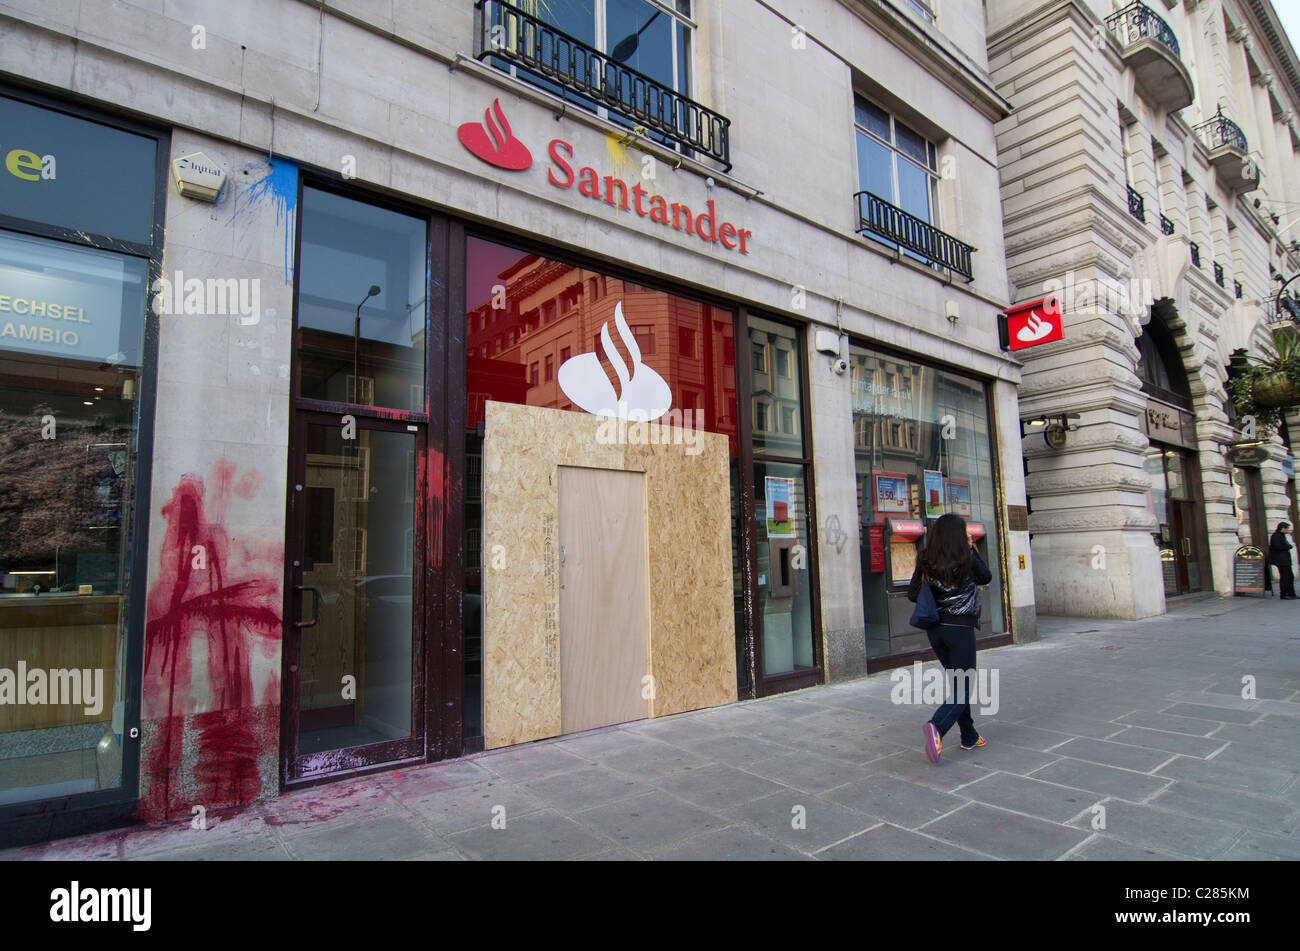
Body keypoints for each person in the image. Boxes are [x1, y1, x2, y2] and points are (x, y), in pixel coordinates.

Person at [907, 513, 993, 763]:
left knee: (958, 683)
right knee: (964, 687)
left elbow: (913, 594)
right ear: (959, 535)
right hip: (960, 629)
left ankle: (969, 735)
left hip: (936, 630)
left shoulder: (925, 559)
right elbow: (986, 577)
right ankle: (937, 726)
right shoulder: (966, 557)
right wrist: (971, 549)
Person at [1269, 522, 1296, 600]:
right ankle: (1283, 594)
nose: (1288, 530)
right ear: (1283, 528)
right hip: (1281, 560)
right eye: (1287, 528)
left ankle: (1291, 593)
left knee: (1290, 577)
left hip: (1285, 560)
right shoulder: (1276, 536)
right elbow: (1277, 546)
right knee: (1285, 577)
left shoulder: (1281, 535)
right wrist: (1288, 546)